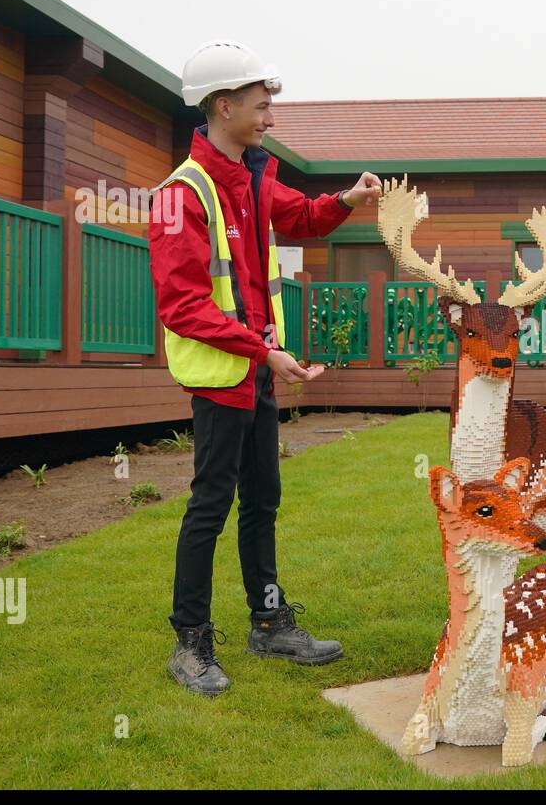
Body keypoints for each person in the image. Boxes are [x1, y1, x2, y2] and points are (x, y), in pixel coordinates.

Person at [148, 40, 382, 696]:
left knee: (264, 503)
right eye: (261, 105)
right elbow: (183, 306)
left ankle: (269, 622)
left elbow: (302, 215)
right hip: (224, 377)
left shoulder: (251, 177)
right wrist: (262, 350)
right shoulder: (179, 196)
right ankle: (190, 644)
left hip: (256, 373)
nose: (271, 117)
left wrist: (349, 199)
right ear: (224, 106)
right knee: (210, 507)